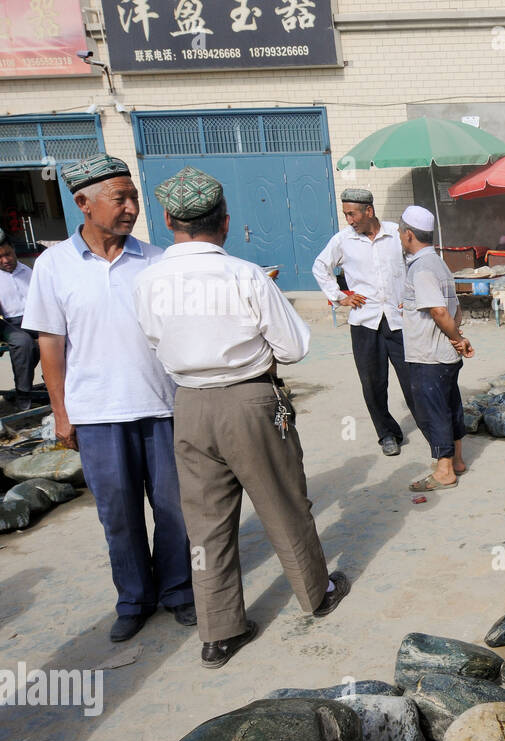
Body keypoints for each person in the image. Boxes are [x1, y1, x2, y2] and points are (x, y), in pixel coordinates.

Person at [133, 167, 351, 668]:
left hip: (188, 405)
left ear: (168, 220)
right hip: (249, 402)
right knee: (282, 503)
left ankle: (219, 632)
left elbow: (152, 343)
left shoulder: (148, 282)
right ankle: (315, 595)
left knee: (205, 525)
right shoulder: (244, 275)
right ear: (225, 222)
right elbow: (293, 347)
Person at [23, 154, 195, 643]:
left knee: (174, 509)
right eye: (119, 197)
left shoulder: (158, 261)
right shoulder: (54, 267)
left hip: (162, 407)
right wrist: (61, 413)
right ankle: (134, 599)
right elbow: (50, 344)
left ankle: (179, 591)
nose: (131, 207)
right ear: (83, 203)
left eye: (134, 196)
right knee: (118, 515)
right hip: (97, 413)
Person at [312, 187, 413, 457]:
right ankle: (387, 433)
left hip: (399, 320)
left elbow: (417, 261)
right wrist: (339, 297)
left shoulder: (395, 233)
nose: (349, 220)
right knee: (373, 383)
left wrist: (412, 296)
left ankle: (430, 426)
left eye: (352, 214)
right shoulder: (343, 240)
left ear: (369, 211)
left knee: (412, 378)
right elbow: (320, 267)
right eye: (346, 215)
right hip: (365, 323)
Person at [398, 205, 472, 492]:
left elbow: (440, 312)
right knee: (451, 404)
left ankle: (444, 471)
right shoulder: (439, 263)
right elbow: (456, 309)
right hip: (444, 354)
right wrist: (457, 339)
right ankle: (458, 461)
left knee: (434, 410)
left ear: (408, 235)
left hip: (429, 353)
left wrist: (457, 338)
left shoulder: (422, 268)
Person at [0, 234, 39, 410]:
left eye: (8, 254)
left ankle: (59, 385)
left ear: (14, 251)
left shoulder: (29, 272)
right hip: (7, 323)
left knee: (58, 337)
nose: (5, 260)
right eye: (0, 257)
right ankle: (23, 397)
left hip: (32, 319)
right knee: (23, 343)